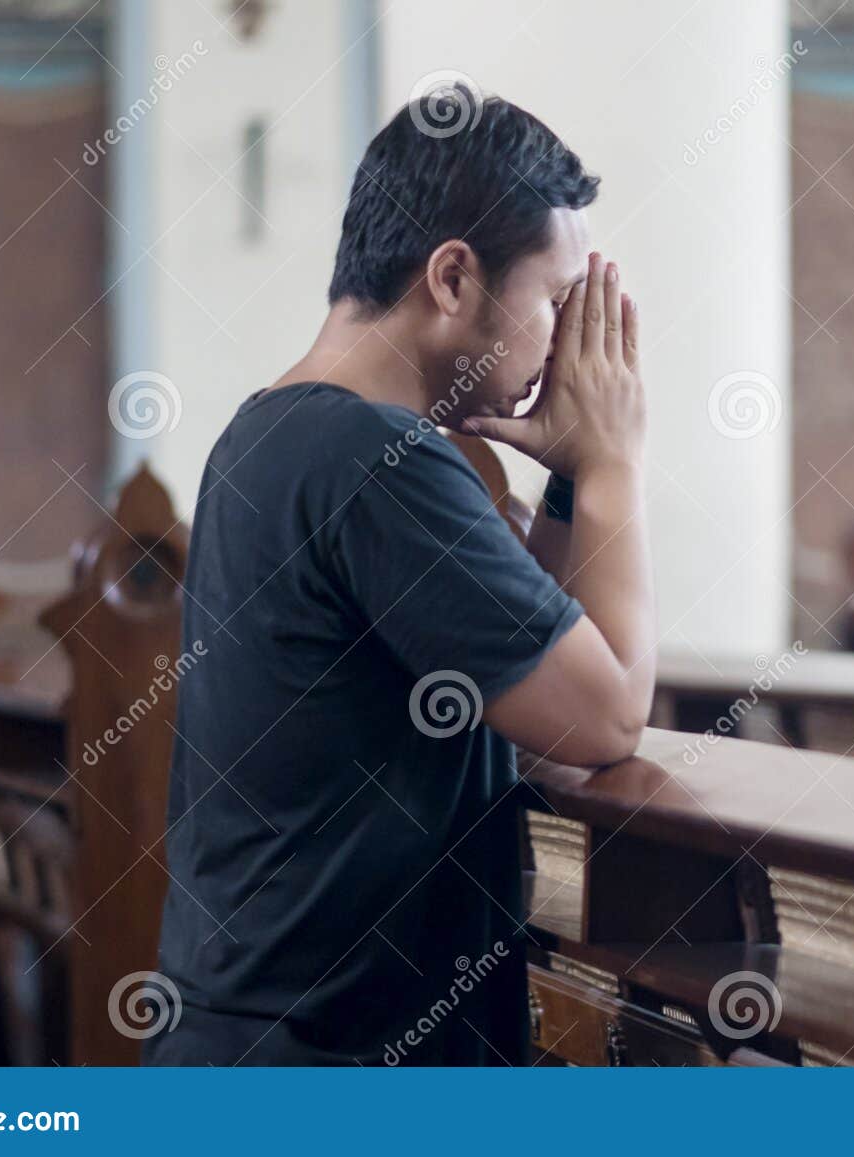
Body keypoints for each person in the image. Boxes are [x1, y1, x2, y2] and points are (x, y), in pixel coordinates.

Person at [142, 88, 655, 1066]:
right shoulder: (377, 459)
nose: (564, 345)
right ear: (453, 278)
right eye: (554, 300)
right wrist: (618, 460)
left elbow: (539, 673)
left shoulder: (271, 429)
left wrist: (568, 479)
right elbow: (607, 714)